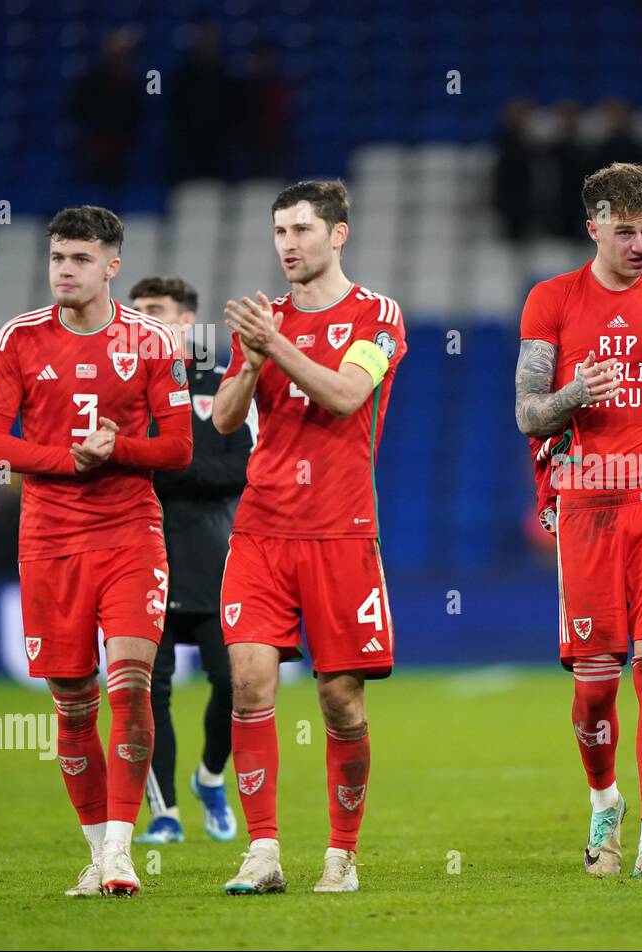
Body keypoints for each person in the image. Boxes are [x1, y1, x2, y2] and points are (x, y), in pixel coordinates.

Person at [0, 206, 192, 895]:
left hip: (130, 534)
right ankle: (97, 853)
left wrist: (118, 449)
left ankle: (122, 854)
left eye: (80, 259)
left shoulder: (152, 341)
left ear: (111, 267)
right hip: (49, 540)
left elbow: (178, 448)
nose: (65, 271)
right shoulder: (18, 339)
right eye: (58, 258)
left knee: (130, 687)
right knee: (73, 705)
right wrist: (69, 461)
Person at [515, 161, 642, 878]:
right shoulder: (552, 299)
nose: (638, 243)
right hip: (588, 507)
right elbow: (526, 412)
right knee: (595, 684)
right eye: (625, 230)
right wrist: (575, 391)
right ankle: (606, 800)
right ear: (594, 227)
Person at [212, 180, 407, 894]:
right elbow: (227, 420)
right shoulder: (267, 322)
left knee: (339, 701)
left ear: (339, 234)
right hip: (262, 528)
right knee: (249, 682)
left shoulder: (378, 315)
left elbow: (347, 394)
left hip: (341, 533)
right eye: (280, 233)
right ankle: (261, 852)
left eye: (301, 230)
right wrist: (255, 357)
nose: (288, 245)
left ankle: (341, 855)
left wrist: (276, 345)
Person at [129, 276, 252, 845]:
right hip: (140, 557)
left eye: (155, 311)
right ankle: (165, 813)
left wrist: (166, 468)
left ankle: (209, 777)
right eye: (137, 312)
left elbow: (244, 469)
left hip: (211, 557)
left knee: (233, 683)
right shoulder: (124, 383)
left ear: (186, 321)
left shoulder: (227, 382)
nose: (142, 321)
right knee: (149, 692)